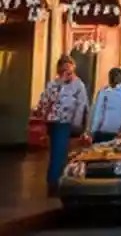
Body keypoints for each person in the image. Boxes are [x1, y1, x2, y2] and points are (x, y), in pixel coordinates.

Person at [34, 55, 89, 196]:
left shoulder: (78, 85)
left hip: (67, 122)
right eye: (63, 69)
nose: (66, 73)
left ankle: (58, 182)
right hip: (54, 122)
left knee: (61, 153)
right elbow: (44, 101)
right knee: (57, 153)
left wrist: (77, 124)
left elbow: (81, 105)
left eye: (69, 69)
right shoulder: (53, 84)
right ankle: (54, 183)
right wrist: (59, 84)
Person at [88, 68, 121, 144]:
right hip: (119, 132)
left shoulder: (104, 92)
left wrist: (93, 131)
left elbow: (99, 114)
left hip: (104, 131)